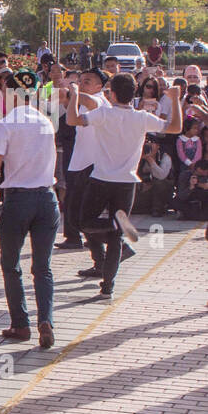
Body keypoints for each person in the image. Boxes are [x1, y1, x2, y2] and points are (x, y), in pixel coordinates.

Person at [67, 76, 181, 299]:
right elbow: (175, 127)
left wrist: (73, 94)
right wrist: (175, 99)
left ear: (112, 93)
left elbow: (72, 120)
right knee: (115, 236)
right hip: (127, 182)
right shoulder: (140, 117)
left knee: (82, 222)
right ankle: (108, 280)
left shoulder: (105, 114)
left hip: (101, 179)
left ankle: (112, 249)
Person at [0, 72, 59, 347]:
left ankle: (20, 324)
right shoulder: (46, 122)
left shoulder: (6, 125)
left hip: (18, 199)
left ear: (7, 92)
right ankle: (45, 319)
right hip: (47, 198)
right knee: (43, 267)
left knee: (11, 265)